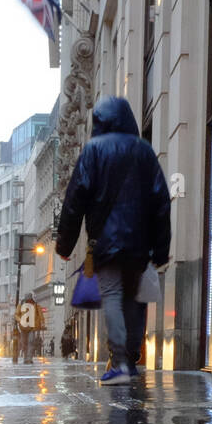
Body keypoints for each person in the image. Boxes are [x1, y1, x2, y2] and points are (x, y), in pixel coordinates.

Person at [56, 95, 172, 386]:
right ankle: (130, 359)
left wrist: (64, 245)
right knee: (134, 300)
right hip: (138, 245)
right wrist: (161, 248)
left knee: (112, 296)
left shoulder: (93, 150)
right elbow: (161, 200)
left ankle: (119, 362)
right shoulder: (144, 151)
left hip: (105, 243)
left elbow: (75, 200)